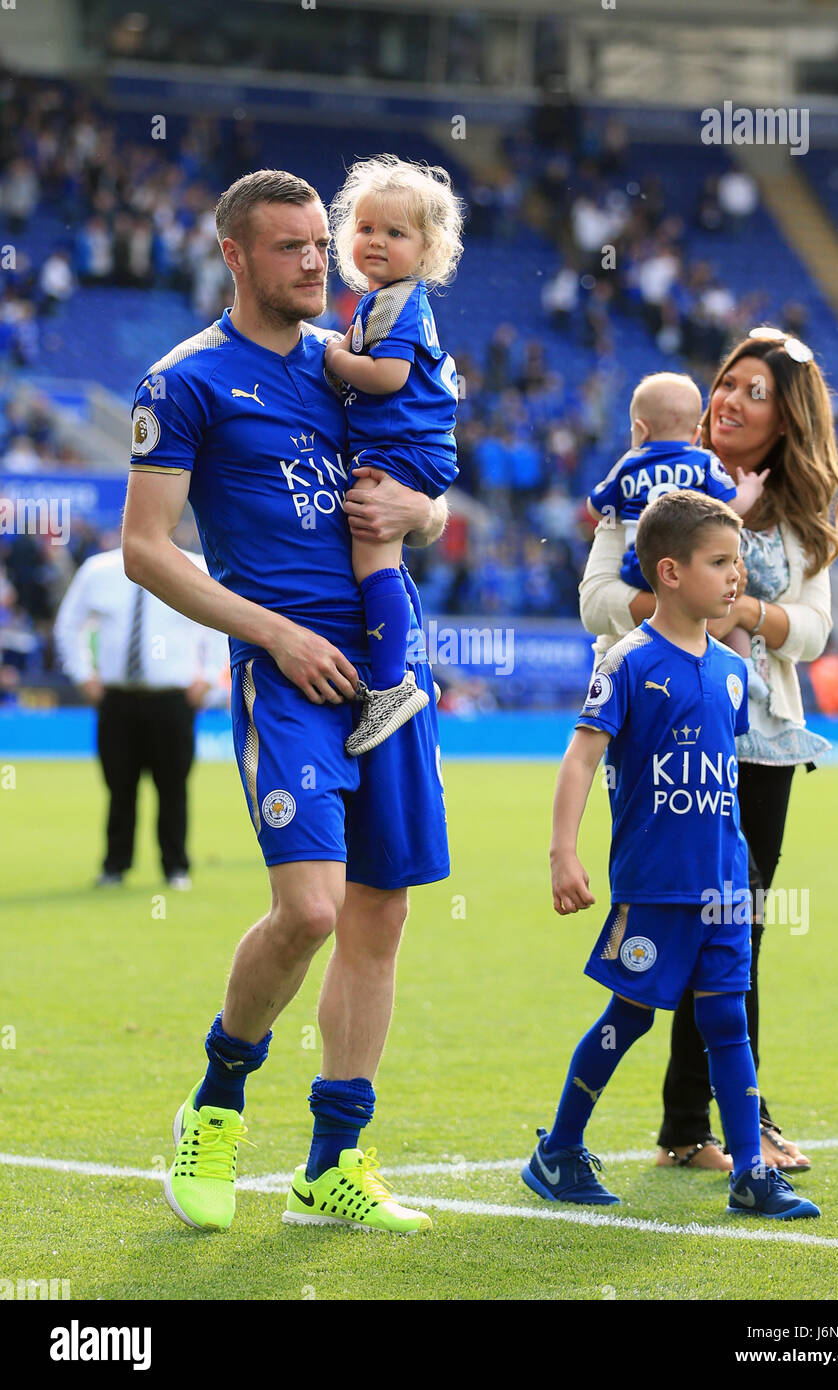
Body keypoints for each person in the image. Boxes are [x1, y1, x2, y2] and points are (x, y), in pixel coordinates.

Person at [121, 168, 450, 1236]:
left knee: (380, 913)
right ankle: (214, 1105)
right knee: (310, 908)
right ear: (233, 254)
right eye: (291, 248)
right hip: (287, 675)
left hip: (388, 670)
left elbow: (429, 498)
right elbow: (143, 549)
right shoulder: (187, 382)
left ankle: (332, 1161)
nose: (319, 262)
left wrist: (428, 511)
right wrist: (272, 632)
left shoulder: (354, 364)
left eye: (323, 243)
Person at [579, 327, 838, 1173]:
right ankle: (683, 1124)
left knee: (739, 929)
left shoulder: (799, 515)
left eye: (753, 393)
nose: (728, 399)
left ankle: (708, 1125)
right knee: (678, 922)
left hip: (761, 743)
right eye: (727, 382)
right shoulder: (661, 490)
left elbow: (812, 629)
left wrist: (744, 617)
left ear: (785, 421)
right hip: (663, 736)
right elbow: (594, 598)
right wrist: (680, 614)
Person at [522, 491, 819, 1220]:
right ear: (670, 572)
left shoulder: (729, 669)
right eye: (720, 563)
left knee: (726, 1021)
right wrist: (565, 852)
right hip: (657, 886)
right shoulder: (627, 663)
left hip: (724, 884)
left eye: (739, 563)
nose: (735, 578)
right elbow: (579, 760)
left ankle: (750, 1171)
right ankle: (557, 1150)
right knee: (631, 1017)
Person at [324, 155, 463, 756]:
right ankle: (398, 663)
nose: (376, 241)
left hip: (403, 448)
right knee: (385, 563)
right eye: (366, 228)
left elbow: (387, 376)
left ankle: (389, 684)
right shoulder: (383, 301)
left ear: (428, 249)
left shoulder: (401, 303)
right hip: (406, 445)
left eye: (396, 233)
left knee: (370, 556)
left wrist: (334, 358)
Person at [586, 371, 768, 698]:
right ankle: (745, 668)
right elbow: (733, 507)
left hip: (639, 570)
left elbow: (596, 506)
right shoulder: (702, 462)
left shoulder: (628, 464)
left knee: (655, 622)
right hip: (692, 570)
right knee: (731, 603)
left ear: (640, 429)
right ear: (697, 433)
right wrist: (750, 488)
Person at [53, 545, 226, 890]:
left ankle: (175, 867)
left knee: (173, 787)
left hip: (172, 699)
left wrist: (207, 678)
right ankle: (115, 866)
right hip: (117, 698)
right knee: (119, 785)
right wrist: (82, 674)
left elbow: (222, 622)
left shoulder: (194, 567)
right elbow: (68, 625)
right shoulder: (98, 570)